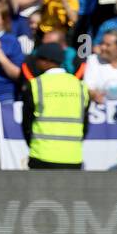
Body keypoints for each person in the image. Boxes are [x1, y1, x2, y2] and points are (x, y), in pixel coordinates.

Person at [22, 42, 88, 170]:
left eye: (38, 59)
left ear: (46, 61)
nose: (35, 63)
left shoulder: (36, 85)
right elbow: (85, 124)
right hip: (73, 157)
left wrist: (33, 145)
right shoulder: (80, 86)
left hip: (41, 155)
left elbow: (26, 123)